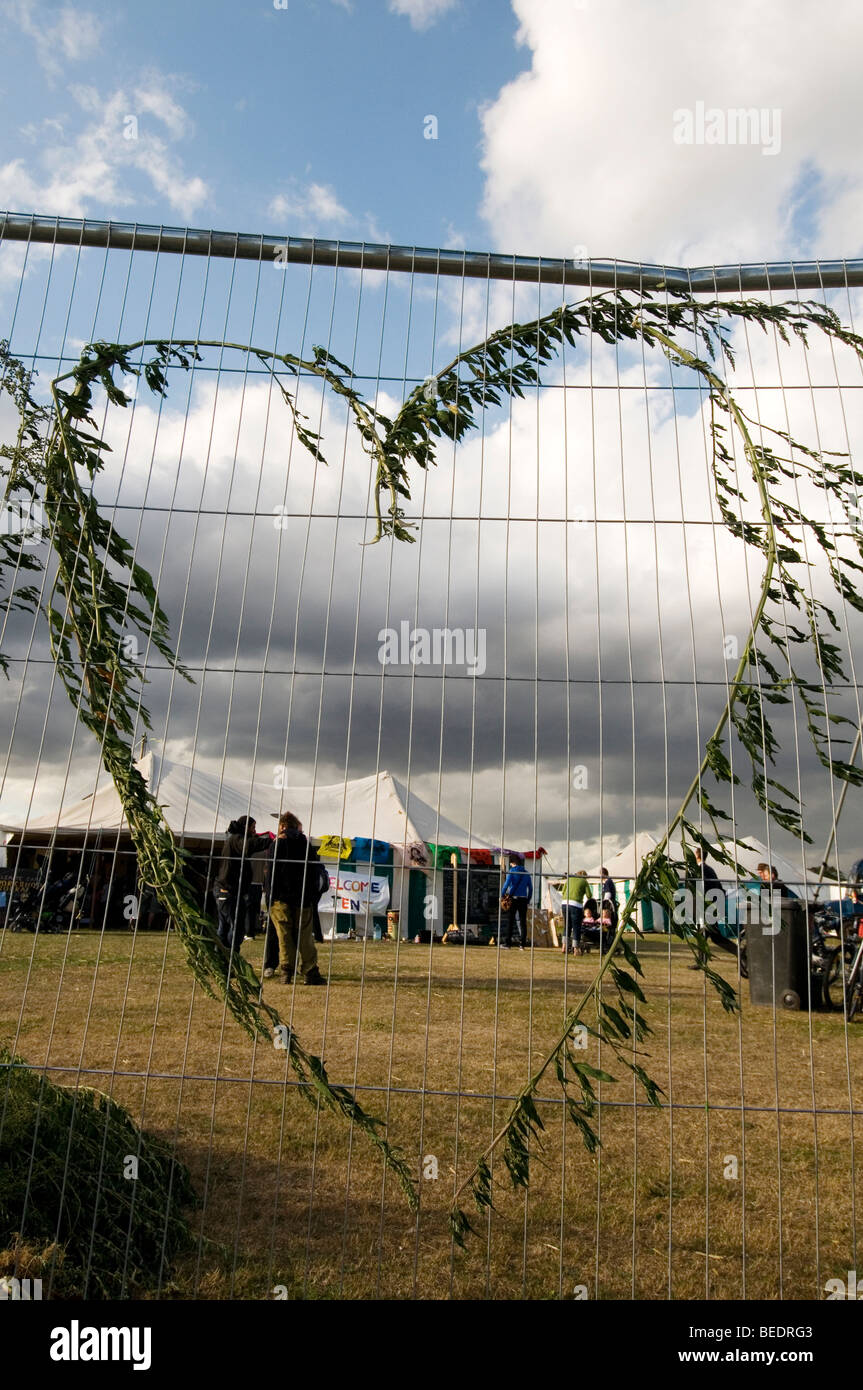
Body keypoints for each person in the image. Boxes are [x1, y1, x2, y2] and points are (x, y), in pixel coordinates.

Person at [265, 811, 326, 986]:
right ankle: (310, 971)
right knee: (304, 936)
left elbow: (272, 873)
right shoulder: (305, 844)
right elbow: (314, 870)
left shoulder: (277, 844)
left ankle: (286, 972)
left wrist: (270, 896)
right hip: (303, 897)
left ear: (282, 826)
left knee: (284, 936)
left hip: (281, 898)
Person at [215, 816, 271, 955]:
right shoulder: (236, 840)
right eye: (253, 827)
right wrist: (270, 841)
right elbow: (249, 845)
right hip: (229, 891)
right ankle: (229, 956)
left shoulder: (233, 839)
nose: (255, 831)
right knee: (236, 929)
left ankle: (220, 955)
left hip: (228, 890)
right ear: (246, 827)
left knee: (224, 927)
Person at [500, 853, 532, 950]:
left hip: (513, 899)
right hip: (523, 899)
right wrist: (528, 899)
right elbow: (530, 888)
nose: (510, 865)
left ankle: (507, 944)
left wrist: (502, 896)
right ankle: (522, 945)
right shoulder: (526, 873)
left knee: (510, 921)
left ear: (512, 862)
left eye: (510, 863)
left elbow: (506, 885)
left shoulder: (512, 872)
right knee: (523, 922)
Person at [561, 869, 590, 955]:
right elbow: (589, 895)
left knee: (567, 926)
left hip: (564, 904)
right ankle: (576, 949)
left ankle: (564, 946)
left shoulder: (569, 879)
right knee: (576, 927)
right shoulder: (584, 882)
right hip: (576, 905)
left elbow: (563, 892)